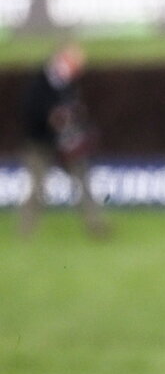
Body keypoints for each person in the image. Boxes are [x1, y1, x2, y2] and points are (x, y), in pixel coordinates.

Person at [19, 42, 107, 237]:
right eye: (75, 65)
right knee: (37, 189)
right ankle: (25, 231)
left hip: (67, 144)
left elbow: (73, 111)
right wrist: (52, 117)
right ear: (63, 60)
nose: (77, 71)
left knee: (83, 183)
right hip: (40, 144)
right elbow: (31, 111)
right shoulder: (40, 81)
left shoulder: (67, 84)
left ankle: (97, 227)